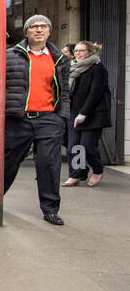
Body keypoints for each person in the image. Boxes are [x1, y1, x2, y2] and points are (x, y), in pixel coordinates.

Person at [3, 14, 69, 225]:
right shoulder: (10, 56)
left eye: (43, 26)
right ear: (27, 32)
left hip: (49, 118)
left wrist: (61, 117)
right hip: (18, 119)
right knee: (7, 162)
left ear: (49, 31)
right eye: (34, 27)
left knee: (49, 164)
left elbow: (65, 90)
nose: (38, 30)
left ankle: (50, 209)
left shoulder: (59, 58)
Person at [63, 41, 111, 187]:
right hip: (74, 112)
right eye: (76, 51)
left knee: (87, 146)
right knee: (73, 147)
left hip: (93, 114)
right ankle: (75, 175)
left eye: (81, 51)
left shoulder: (97, 68)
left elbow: (95, 93)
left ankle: (97, 170)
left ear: (90, 52)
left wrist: (84, 113)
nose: (77, 53)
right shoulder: (73, 69)